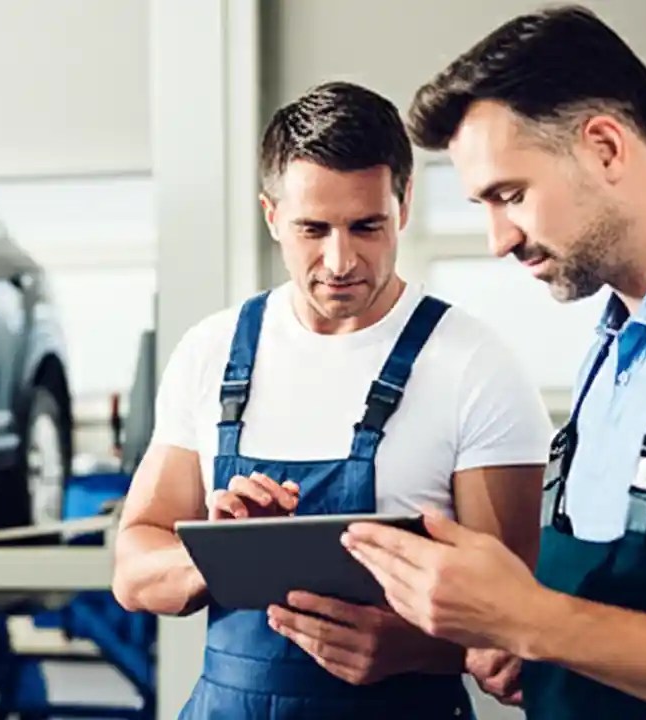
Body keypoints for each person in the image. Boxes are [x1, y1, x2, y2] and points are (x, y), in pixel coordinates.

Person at [341, 5, 646, 720]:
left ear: (605, 148)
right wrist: (526, 643)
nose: (498, 239)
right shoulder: (617, 333)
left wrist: (534, 621)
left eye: (511, 196)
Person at [111, 80, 554, 718]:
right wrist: (229, 556)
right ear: (271, 216)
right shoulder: (212, 352)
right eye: (312, 229)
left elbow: (515, 632)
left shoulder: (477, 368)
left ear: (403, 205)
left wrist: (417, 649)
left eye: (366, 226)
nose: (340, 260)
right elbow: (133, 574)